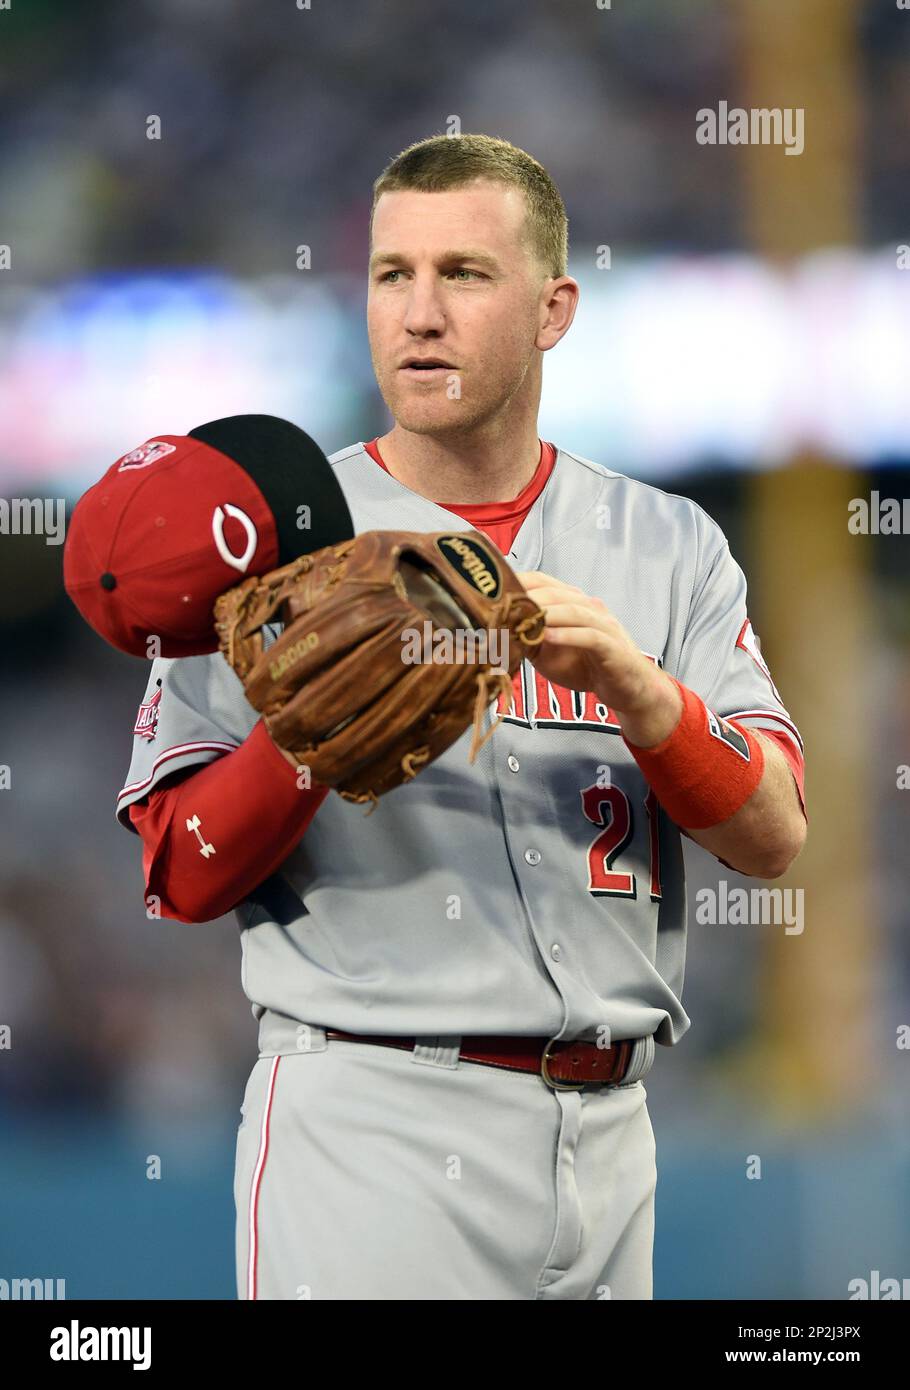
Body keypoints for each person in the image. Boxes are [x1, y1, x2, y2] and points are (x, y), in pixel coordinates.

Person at [117, 133, 807, 1301]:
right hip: (373, 1125)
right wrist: (304, 738)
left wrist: (644, 697)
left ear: (553, 308)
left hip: (612, 1130)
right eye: (393, 275)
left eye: (463, 275)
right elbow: (178, 871)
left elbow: (774, 832)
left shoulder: (668, 541)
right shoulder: (272, 539)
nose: (418, 313)